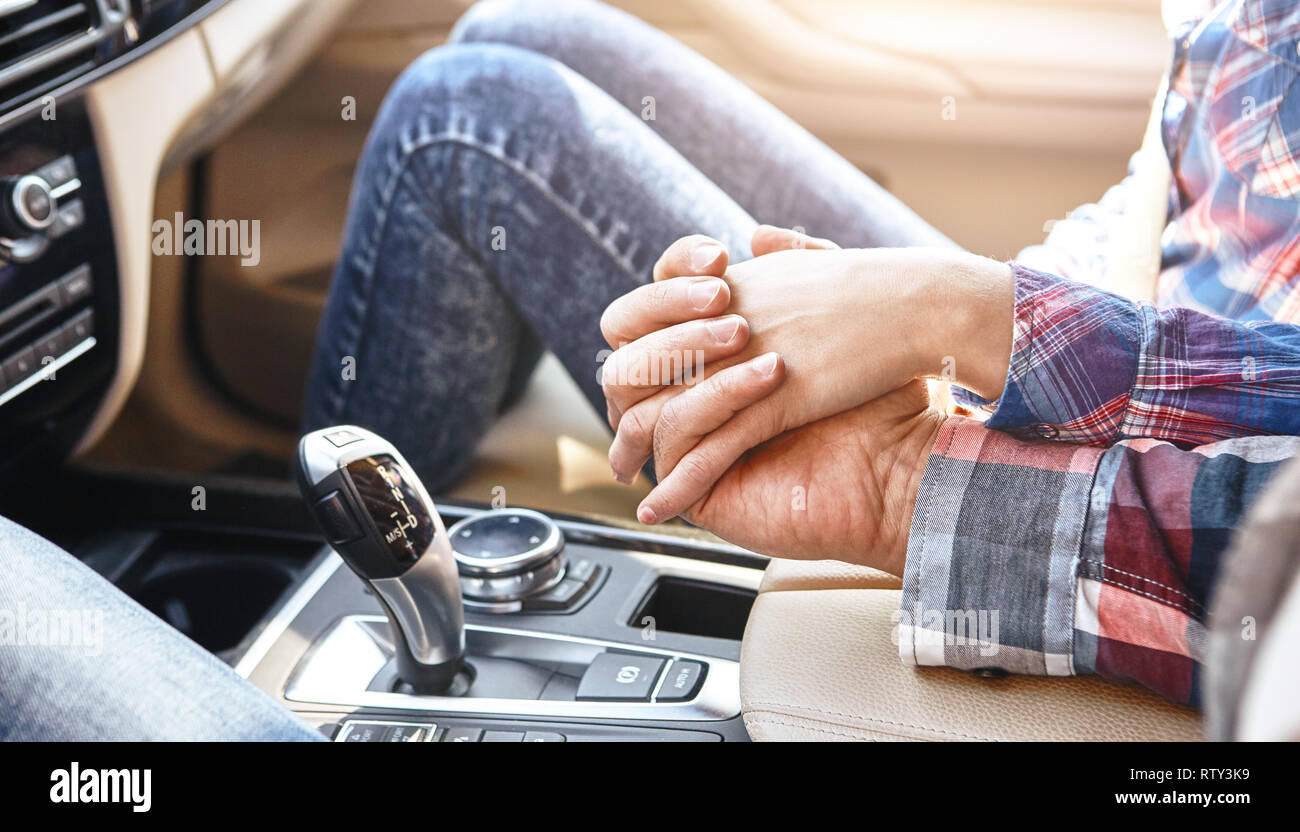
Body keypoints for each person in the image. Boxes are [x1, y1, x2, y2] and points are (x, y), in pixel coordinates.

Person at [1, 0, 1297, 739]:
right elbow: (1175, 204)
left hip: (1204, 513)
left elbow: (1270, 560)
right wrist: (983, 339)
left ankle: (323, 592)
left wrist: (951, 375)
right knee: (514, 48)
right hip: (1173, 379)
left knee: (455, 126)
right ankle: (325, 566)